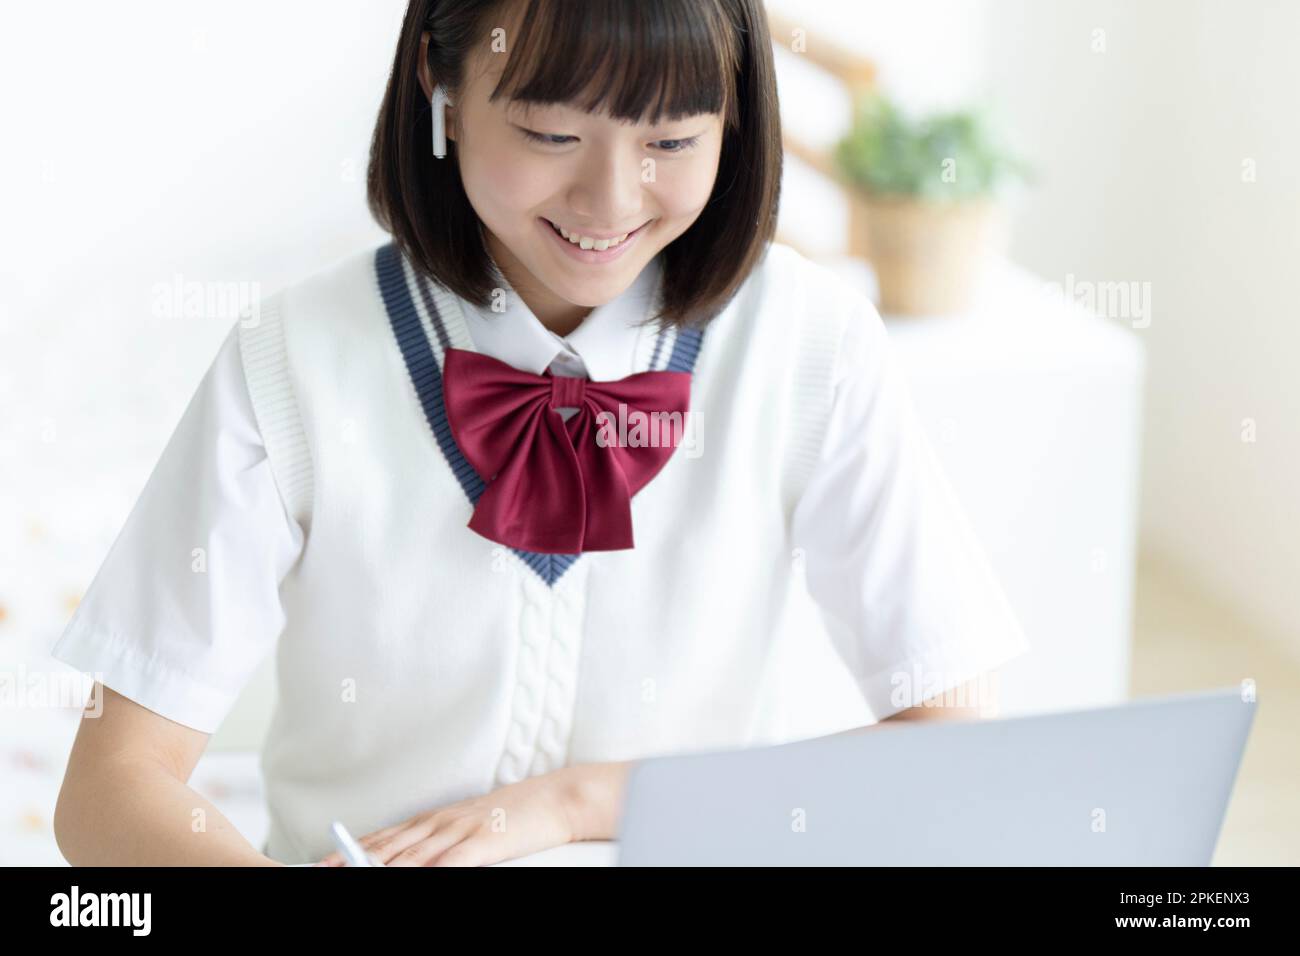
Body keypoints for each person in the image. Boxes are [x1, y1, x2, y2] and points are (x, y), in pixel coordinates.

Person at [52, 0, 1028, 867]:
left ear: (734, 115)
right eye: (550, 132)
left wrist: (567, 804)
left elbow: (951, 745)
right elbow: (108, 786)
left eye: (672, 141)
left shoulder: (813, 345)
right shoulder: (294, 355)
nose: (608, 201)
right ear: (439, 82)